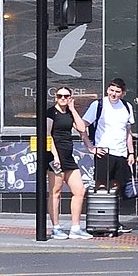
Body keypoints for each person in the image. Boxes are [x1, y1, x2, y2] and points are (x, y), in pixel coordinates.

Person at [84, 79, 137, 231]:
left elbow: (128, 132)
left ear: (123, 93)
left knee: (116, 187)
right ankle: (99, 222)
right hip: (104, 152)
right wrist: (91, 147)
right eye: (112, 90)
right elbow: (82, 126)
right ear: (107, 90)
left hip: (121, 153)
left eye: (117, 91)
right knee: (101, 186)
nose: (114, 94)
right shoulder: (98, 105)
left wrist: (131, 152)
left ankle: (113, 221)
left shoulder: (127, 107)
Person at [42, 86, 92, 240]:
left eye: (66, 96)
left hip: (68, 156)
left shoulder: (70, 112)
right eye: (60, 96)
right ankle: (56, 227)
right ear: (55, 97)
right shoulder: (51, 113)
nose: (63, 99)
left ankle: (75, 228)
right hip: (54, 156)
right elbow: (47, 135)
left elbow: (82, 128)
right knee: (55, 192)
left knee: (79, 190)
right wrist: (55, 157)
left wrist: (73, 108)